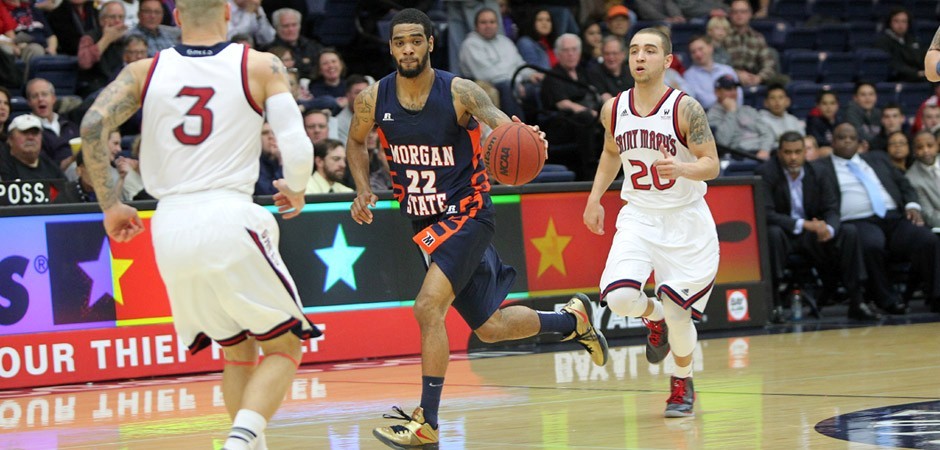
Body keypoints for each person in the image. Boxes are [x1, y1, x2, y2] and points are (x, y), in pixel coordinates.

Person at [347, 9, 609, 448]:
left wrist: (527, 138)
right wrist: (360, 188)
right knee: (490, 326)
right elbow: (356, 141)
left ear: (431, 43)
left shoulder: (459, 91)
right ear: (391, 47)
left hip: (468, 215)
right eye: (399, 42)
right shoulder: (373, 99)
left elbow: (501, 124)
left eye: (416, 40)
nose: (407, 48)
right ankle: (570, 320)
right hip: (424, 222)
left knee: (428, 308)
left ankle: (426, 422)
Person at [77, 0, 319, 448]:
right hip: (227, 215)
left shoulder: (144, 71)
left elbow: (92, 124)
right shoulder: (260, 64)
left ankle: (249, 444)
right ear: (228, 16)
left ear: (176, 18)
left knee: (237, 352)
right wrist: (299, 185)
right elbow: (296, 144)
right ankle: (242, 439)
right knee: (286, 348)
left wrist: (110, 205)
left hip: (169, 225)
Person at [582, 27, 720, 418]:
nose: (639, 57)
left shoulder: (685, 108)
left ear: (667, 60)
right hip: (639, 215)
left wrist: (684, 167)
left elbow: (712, 164)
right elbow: (611, 153)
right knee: (619, 297)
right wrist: (594, 198)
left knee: (680, 314)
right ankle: (653, 317)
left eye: (649, 50)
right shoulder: (614, 107)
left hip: (684, 221)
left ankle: (681, 381)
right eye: (634, 51)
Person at [815, 123, 940, 315]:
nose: (847, 141)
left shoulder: (877, 158)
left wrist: (912, 205)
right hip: (857, 220)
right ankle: (886, 300)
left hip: (893, 217)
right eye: (842, 137)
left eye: (852, 138)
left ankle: (936, 296)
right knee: (871, 244)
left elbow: (903, 184)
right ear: (832, 141)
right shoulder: (820, 167)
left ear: (860, 143)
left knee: (928, 240)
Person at [755, 132, 877, 321]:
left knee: (848, 232)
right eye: (788, 152)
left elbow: (832, 208)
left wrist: (828, 228)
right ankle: (775, 304)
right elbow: (766, 213)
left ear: (805, 152)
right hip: (786, 233)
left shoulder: (819, 172)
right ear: (779, 153)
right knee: (772, 234)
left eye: (797, 152)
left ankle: (857, 300)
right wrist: (804, 224)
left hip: (813, 235)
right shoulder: (767, 172)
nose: (793, 157)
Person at [707, 74, 773, 160]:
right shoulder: (712, 115)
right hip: (741, 155)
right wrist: (731, 112)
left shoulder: (747, 110)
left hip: (763, 152)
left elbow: (767, 132)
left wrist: (765, 150)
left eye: (735, 89)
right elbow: (723, 142)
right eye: (728, 89)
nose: (733, 93)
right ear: (717, 92)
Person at [0, 113, 65, 181]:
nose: (30, 137)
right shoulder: (3, 167)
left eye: (35, 133)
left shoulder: (51, 167)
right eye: (24, 132)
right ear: (10, 139)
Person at [683, 35, 739, 109]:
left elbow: (739, 96)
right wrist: (727, 104)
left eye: (701, 49)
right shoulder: (689, 75)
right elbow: (704, 101)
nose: (698, 54)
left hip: (736, 111)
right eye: (693, 52)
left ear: (710, 48)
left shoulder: (727, 70)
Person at [876, 7, 925, 82]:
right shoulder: (882, 42)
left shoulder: (913, 40)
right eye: (896, 21)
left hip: (919, 79)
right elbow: (892, 65)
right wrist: (916, 73)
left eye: (904, 21)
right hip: (896, 80)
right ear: (890, 22)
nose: (900, 25)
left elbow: (921, 58)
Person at [907, 131, 940, 229]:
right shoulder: (911, 178)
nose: (926, 150)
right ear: (914, 151)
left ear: (937, 146)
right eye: (920, 147)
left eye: (930, 145)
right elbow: (929, 215)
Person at [586, 36, 633, 103]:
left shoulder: (631, 71)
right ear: (602, 54)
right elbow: (605, 98)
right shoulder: (595, 72)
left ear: (623, 54)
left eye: (614, 53)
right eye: (607, 54)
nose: (611, 58)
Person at [843, 82, 882, 149]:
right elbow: (859, 134)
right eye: (863, 95)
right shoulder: (851, 112)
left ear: (876, 97)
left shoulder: (879, 113)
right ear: (855, 98)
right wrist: (880, 143)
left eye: (871, 94)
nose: (868, 98)